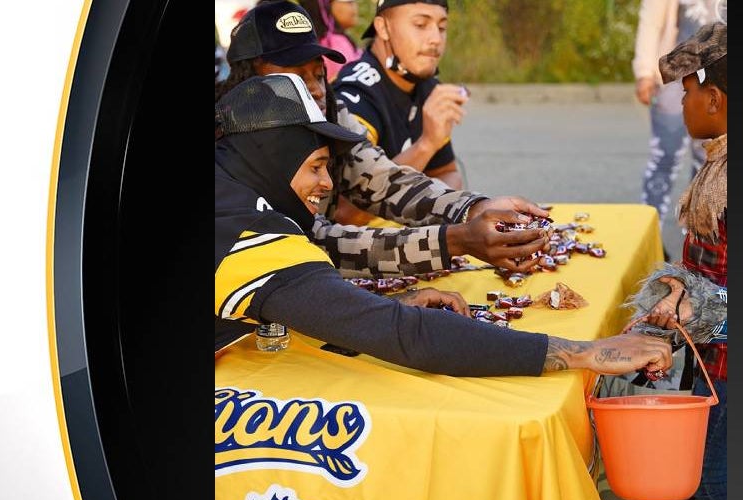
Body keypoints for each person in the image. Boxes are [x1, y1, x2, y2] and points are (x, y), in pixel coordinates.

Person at [215, 73, 675, 382]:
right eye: (316, 166)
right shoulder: (249, 231)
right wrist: (583, 353)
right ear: (271, 159)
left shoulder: (230, 191)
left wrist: (386, 301)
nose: (328, 185)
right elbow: (407, 336)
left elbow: (316, 275)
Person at [216, 1, 549, 278]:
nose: (315, 90)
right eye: (293, 79)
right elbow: (319, 242)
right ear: (246, 83)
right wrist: (456, 240)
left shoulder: (329, 112)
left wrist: (473, 207)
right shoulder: (233, 148)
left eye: (318, 74)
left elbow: (384, 181)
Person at [640, 22, 727, 500]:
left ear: (713, 99)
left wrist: (695, 310)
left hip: (728, 376)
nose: (682, 102)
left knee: (715, 485)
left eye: (687, 91)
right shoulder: (717, 164)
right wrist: (675, 295)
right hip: (712, 364)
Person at [333, 0, 466, 191]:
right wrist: (427, 144)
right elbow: (350, 203)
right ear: (383, 28)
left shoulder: (428, 87)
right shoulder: (354, 96)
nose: (436, 39)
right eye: (420, 25)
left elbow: (447, 172)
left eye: (442, 27)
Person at [632, 0, 718, 262]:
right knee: (665, 158)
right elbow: (651, 21)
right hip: (674, 79)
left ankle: (701, 241)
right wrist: (645, 73)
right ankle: (648, 238)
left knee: (710, 163)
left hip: (717, 81)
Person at [297, 0, 362, 82]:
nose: (355, 6)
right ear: (326, 5)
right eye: (349, 2)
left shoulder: (306, 44)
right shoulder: (335, 43)